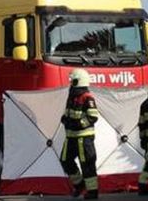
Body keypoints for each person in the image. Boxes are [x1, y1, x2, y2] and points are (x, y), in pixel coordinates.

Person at [61, 68, 100, 199]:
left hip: (84, 137)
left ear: (79, 81)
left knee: (87, 164)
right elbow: (69, 113)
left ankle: (92, 192)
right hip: (71, 136)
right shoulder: (72, 95)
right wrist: (65, 119)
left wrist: (79, 124)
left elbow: (93, 117)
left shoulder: (87, 97)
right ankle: (79, 184)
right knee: (65, 161)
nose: (71, 82)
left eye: (73, 80)